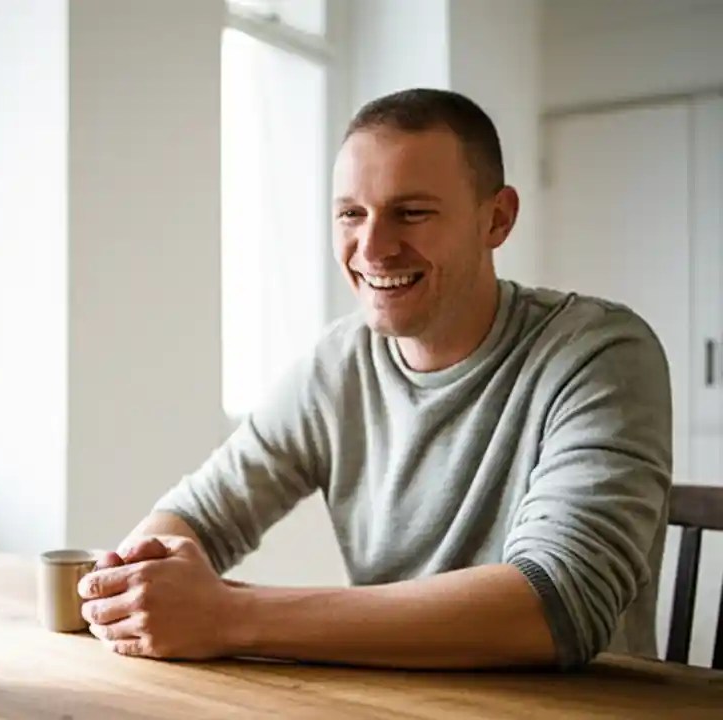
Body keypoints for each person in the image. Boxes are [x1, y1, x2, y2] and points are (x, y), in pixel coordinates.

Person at [79, 88, 672, 671]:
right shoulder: (337, 363)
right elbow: (200, 516)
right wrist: (140, 580)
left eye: (412, 213)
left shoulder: (602, 353)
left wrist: (229, 615)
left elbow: (558, 602)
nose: (374, 247)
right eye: (351, 214)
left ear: (497, 218)